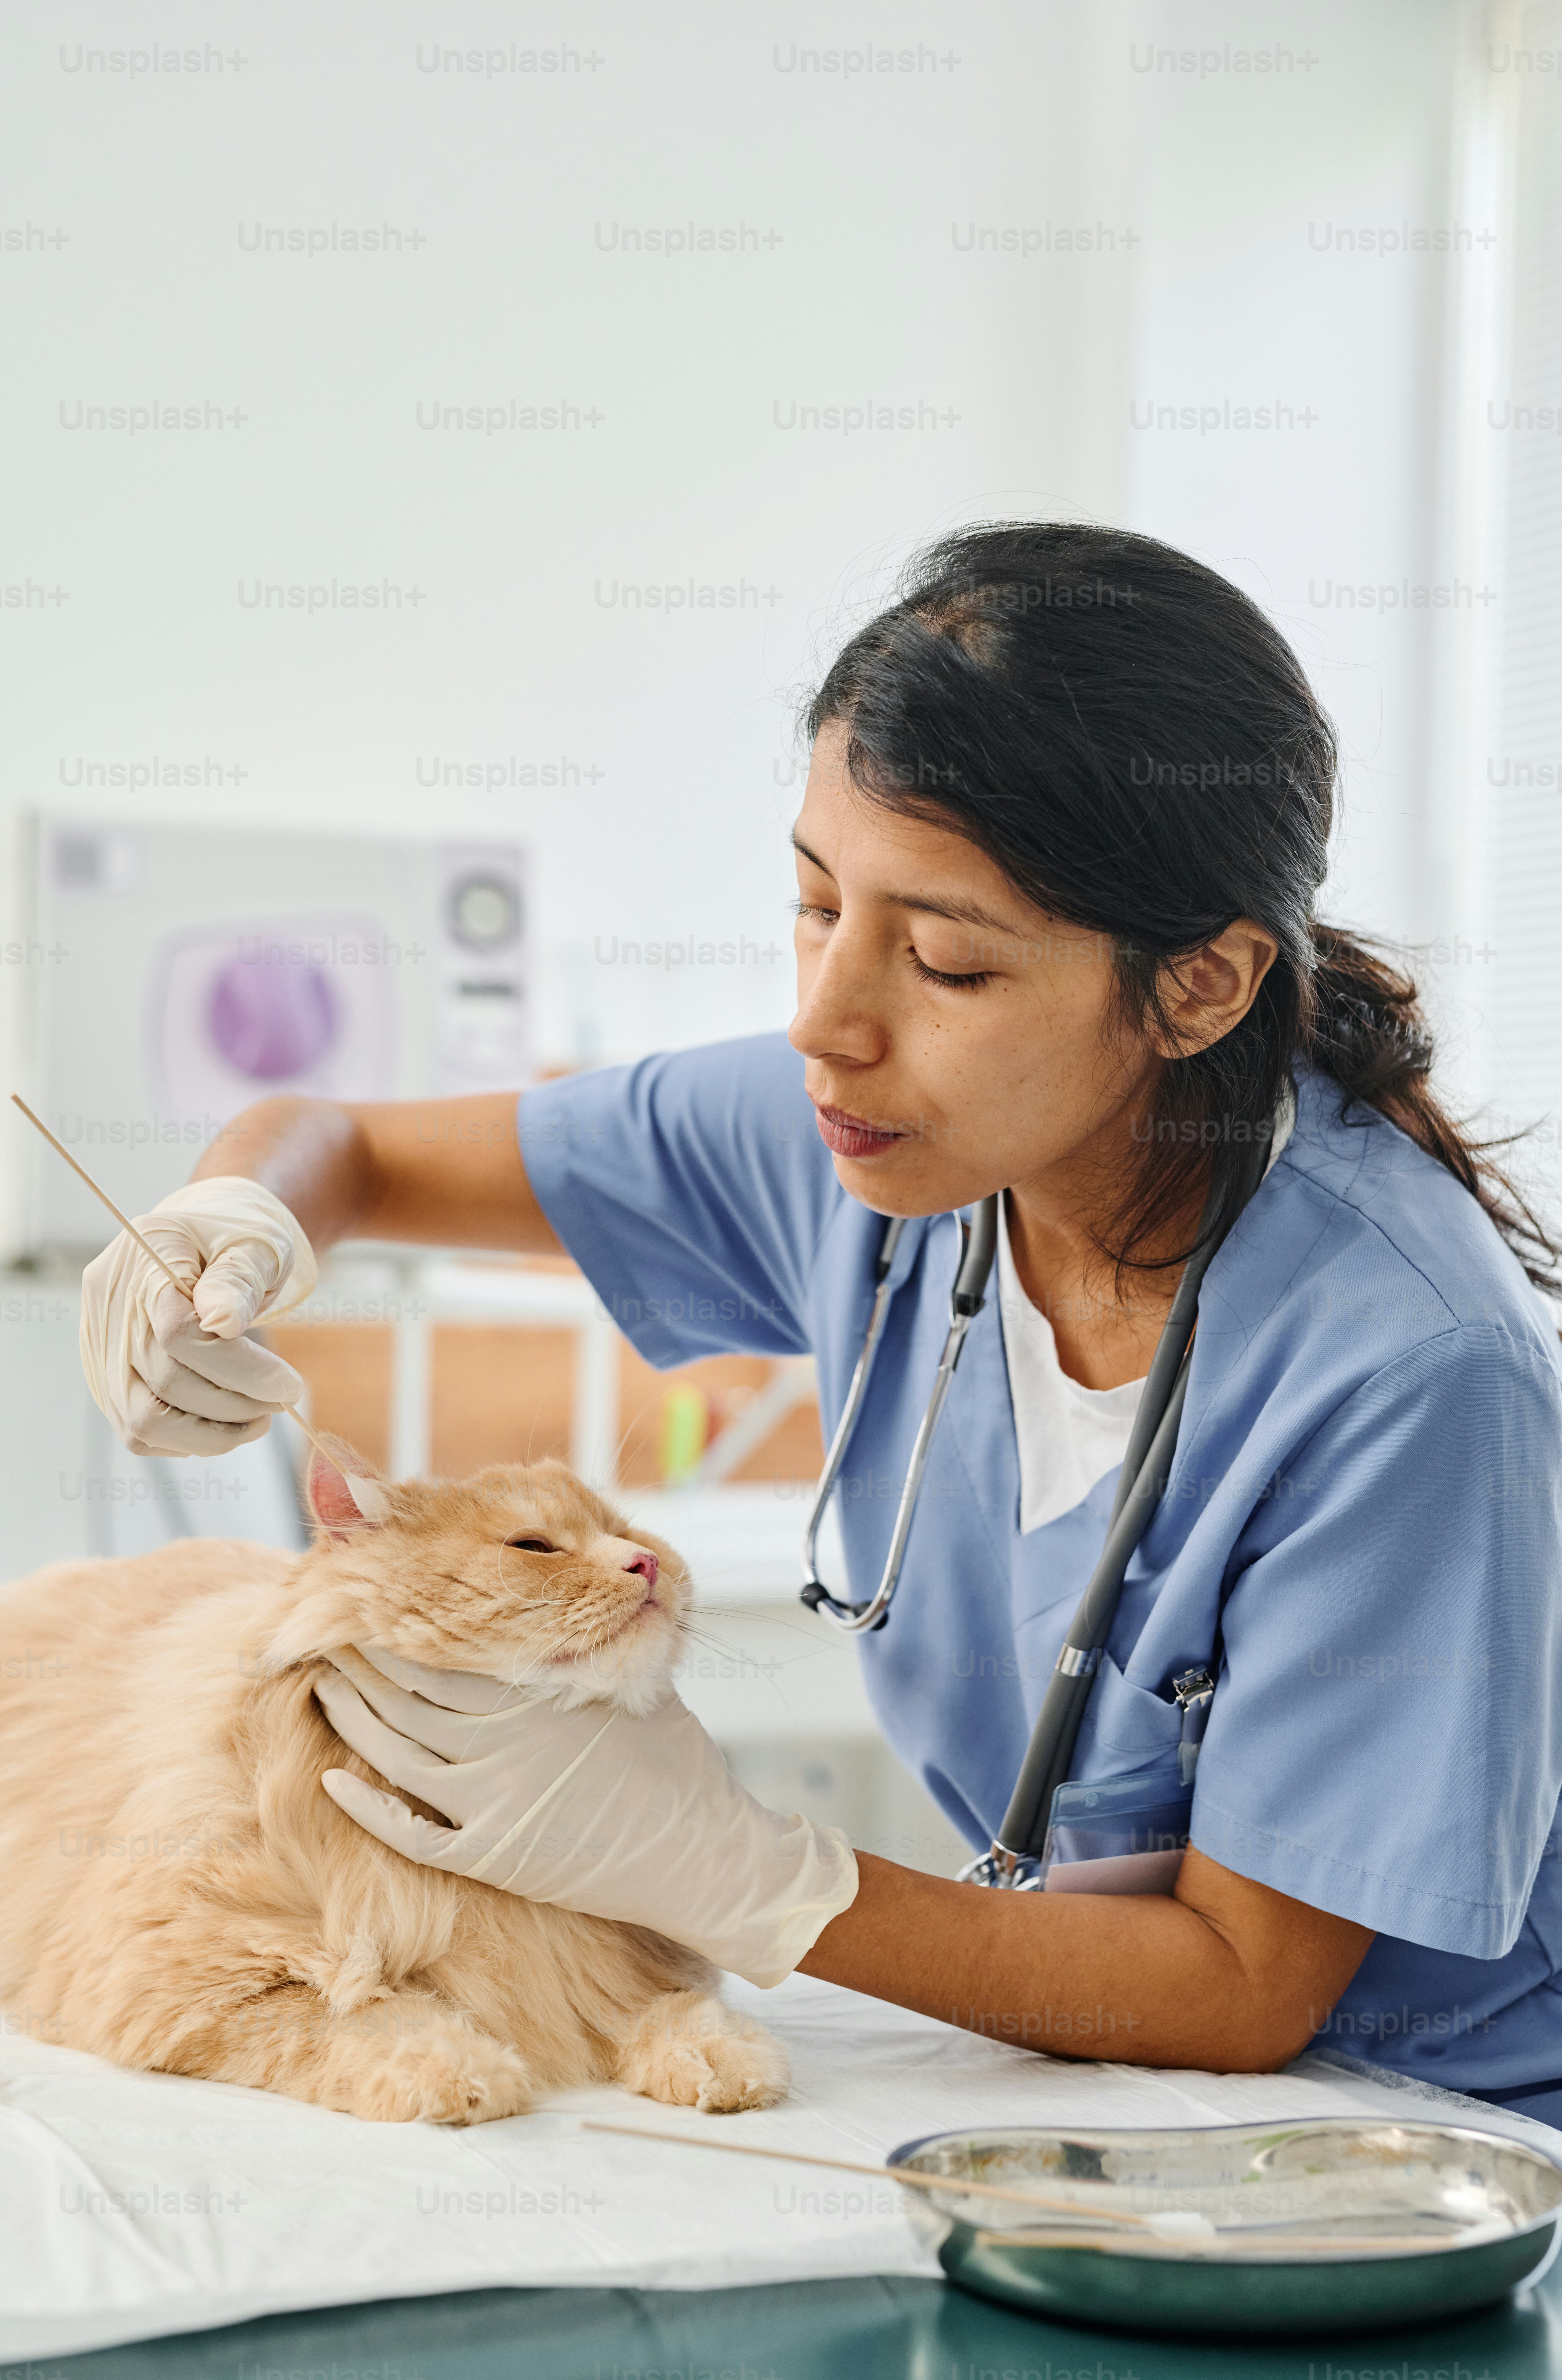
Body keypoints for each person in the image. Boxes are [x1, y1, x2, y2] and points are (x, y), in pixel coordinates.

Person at [81, 524, 1562, 2116]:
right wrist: (227, 1225)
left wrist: (744, 1874)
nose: (824, 1021)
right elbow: (351, 1150)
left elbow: (1247, 1988)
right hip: (1120, 2097)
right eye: (813, 902)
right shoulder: (868, 1133)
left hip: (1427, 2138)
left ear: (1198, 988)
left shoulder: (1411, 1375)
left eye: (941, 960)